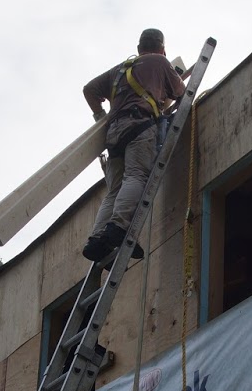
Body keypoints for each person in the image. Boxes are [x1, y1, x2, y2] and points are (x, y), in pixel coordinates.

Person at [80, 28, 187, 262]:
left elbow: (89, 90)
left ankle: (97, 238)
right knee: (136, 176)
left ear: (139, 49)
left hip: (114, 133)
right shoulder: (160, 61)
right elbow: (181, 92)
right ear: (162, 49)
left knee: (114, 190)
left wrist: (100, 116)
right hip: (139, 125)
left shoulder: (120, 69)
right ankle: (117, 228)